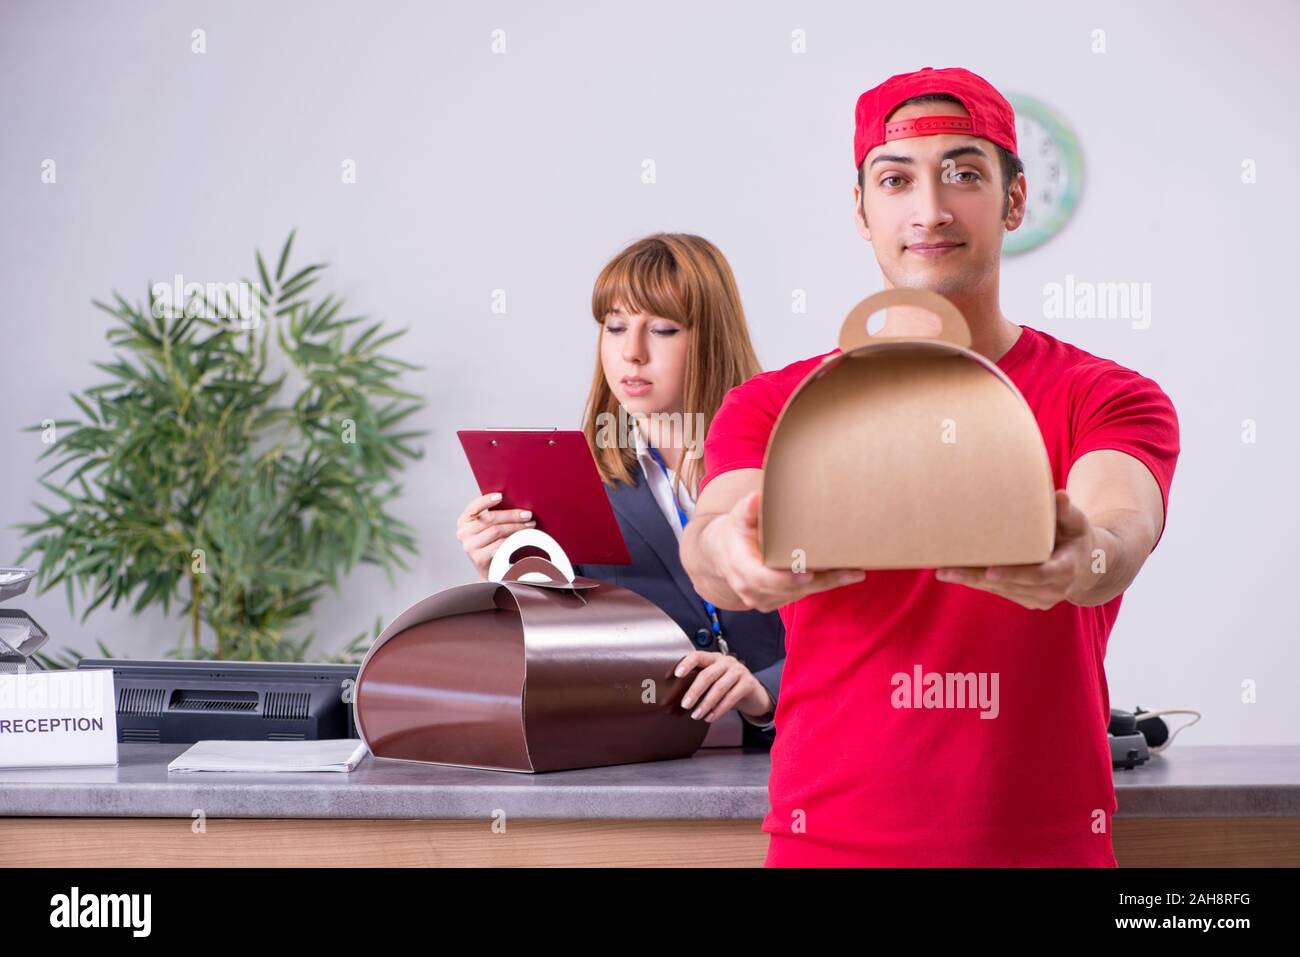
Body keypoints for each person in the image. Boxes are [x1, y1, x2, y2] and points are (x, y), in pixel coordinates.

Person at [680, 67, 1180, 865]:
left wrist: (1081, 553)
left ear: (1013, 201)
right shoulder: (774, 404)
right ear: (861, 210)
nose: (931, 209)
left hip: (1046, 847)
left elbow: (1120, 525)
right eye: (896, 178)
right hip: (826, 845)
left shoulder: (1105, 394)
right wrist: (732, 556)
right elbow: (711, 535)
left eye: (964, 173)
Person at [456, 233, 785, 747]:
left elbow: (857, 635)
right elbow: (559, 655)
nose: (631, 353)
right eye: (614, 327)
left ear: (711, 339)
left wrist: (764, 693)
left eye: (662, 328)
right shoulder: (577, 481)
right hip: (640, 762)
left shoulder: (785, 468)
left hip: (783, 762)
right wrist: (507, 575)